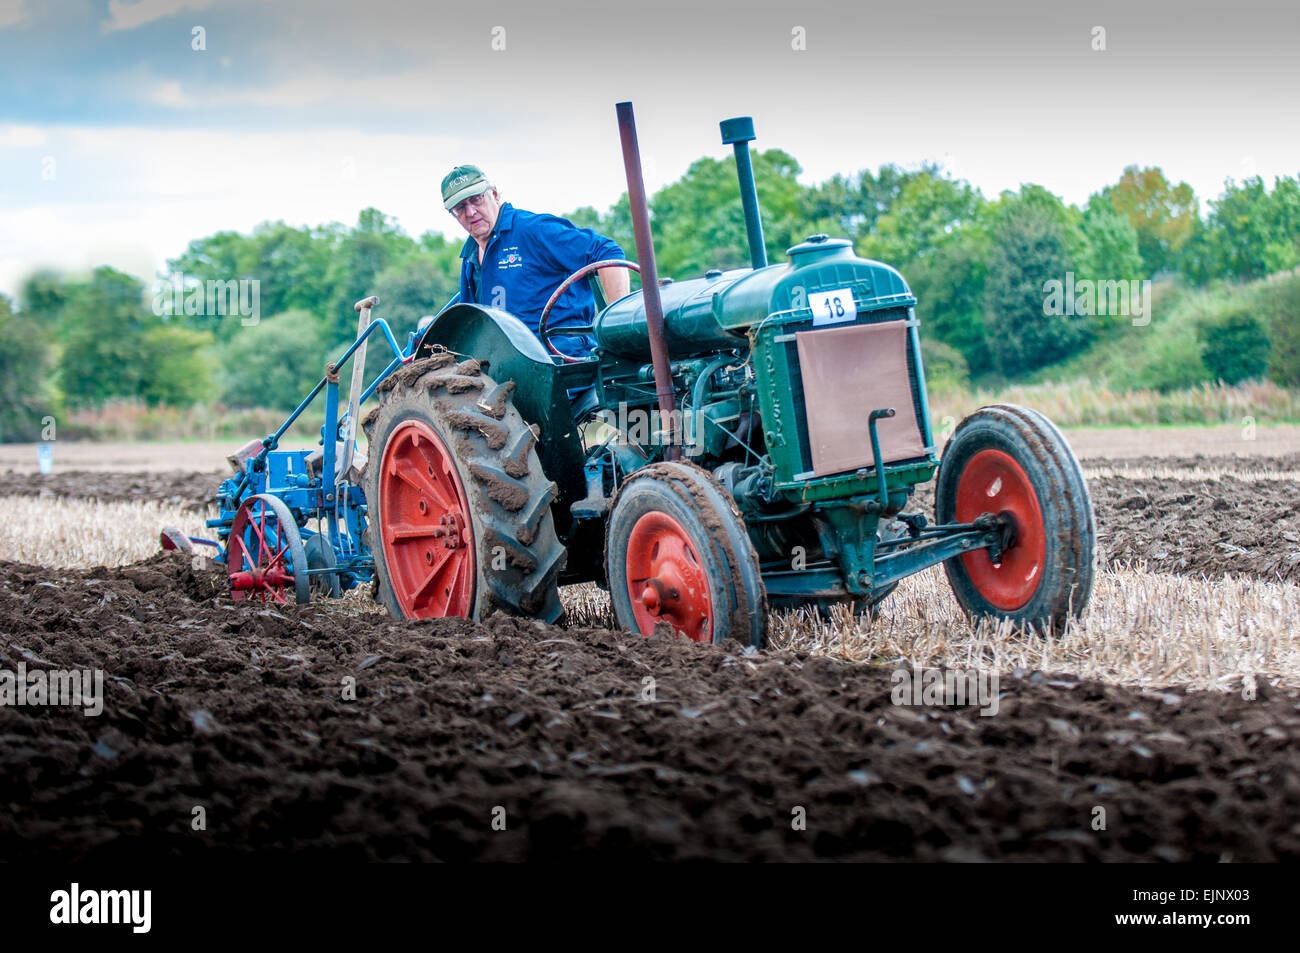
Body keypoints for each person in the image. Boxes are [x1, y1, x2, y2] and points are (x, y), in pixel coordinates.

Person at [442, 164, 631, 360]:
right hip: (506, 366)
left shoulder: (533, 230)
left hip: (561, 360)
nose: (471, 212)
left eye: (476, 200)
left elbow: (607, 252)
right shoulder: (470, 257)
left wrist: (617, 323)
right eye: (460, 207)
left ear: (495, 194)